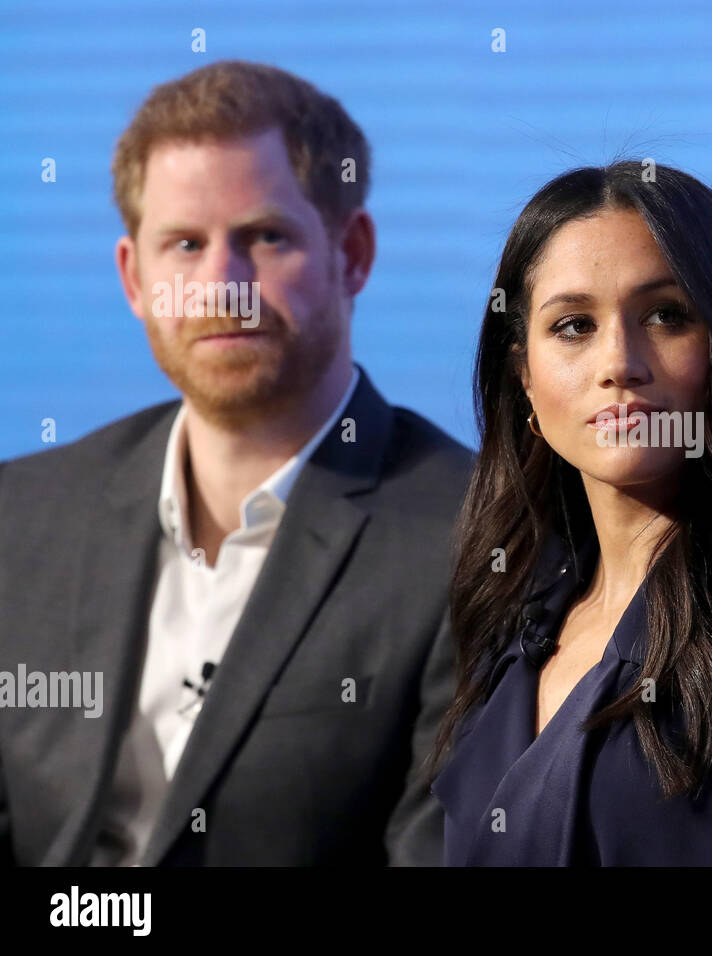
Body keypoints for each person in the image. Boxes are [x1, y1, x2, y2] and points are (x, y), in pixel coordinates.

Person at [0, 60, 473, 865]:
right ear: (133, 279)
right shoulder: (22, 513)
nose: (222, 286)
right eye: (185, 244)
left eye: (265, 237)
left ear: (351, 253)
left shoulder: (476, 538)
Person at [430, 161, 712, 865]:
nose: (620, 361)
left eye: (666, 316)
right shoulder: (512, 624)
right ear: (523, 376)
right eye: (574, 326)